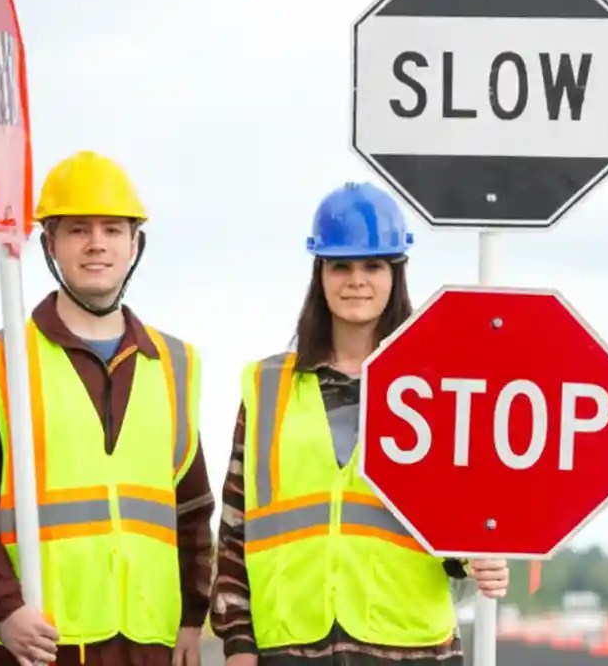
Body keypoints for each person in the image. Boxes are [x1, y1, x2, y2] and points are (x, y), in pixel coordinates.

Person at [209, 181, 511, 665]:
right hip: (289, 647)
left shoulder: (437, 385)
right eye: (341, 266)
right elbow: (235, 530)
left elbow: (465, 515)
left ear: (396, 275)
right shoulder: (267, 388)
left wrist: (483, 557)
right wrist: (238, 646)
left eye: (373, 266)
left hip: (409, 647)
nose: (356, 280)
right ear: (320, 273)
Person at [0, 151, 217, 666]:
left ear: (135, 244)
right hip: (39, 643)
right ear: (49, 244)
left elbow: (192, 511)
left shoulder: (176, 365)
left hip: (148, 645)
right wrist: (5, 610)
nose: (96, 245)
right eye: (77, 230)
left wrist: (189, 620)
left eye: (112, 229)